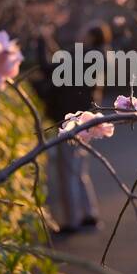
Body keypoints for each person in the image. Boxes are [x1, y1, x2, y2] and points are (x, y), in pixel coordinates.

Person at [35, 21, 112, 234]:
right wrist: (50, 42)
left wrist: (41, 41)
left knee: (67, 170)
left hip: (71, 120)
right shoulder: (97, 55)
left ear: (91, 37)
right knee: (78, 169)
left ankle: (72, 221)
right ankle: (89, 214)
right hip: (84, 119)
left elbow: (48, 68)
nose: (80, 33)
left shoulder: (84, 56)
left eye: (84, 31)